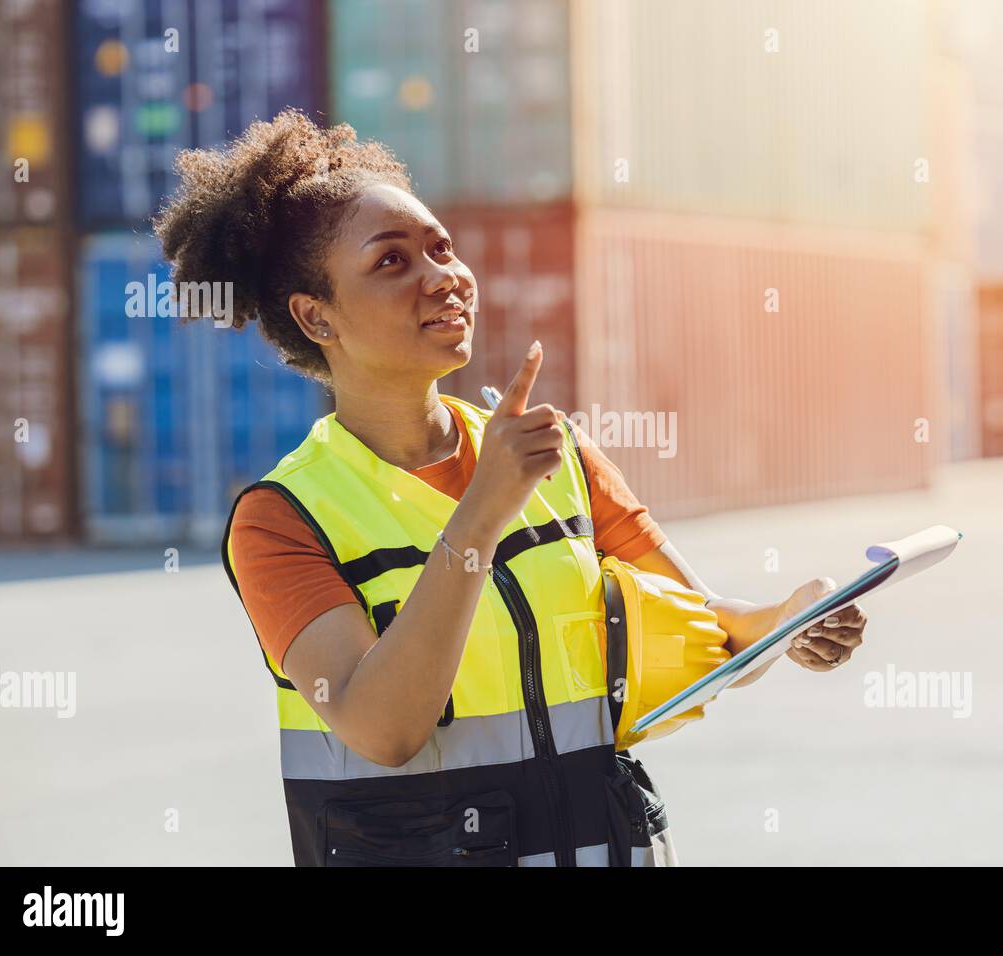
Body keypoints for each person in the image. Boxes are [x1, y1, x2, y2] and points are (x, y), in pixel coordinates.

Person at [153, 109, 868, 867]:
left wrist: (790, 621)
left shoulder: (557, 456)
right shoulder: (282, 519)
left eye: (441, 248)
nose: (444, 278)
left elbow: (705, 630)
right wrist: (481, 512)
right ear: (315, 315)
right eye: (391, 263)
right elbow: (382, 728)